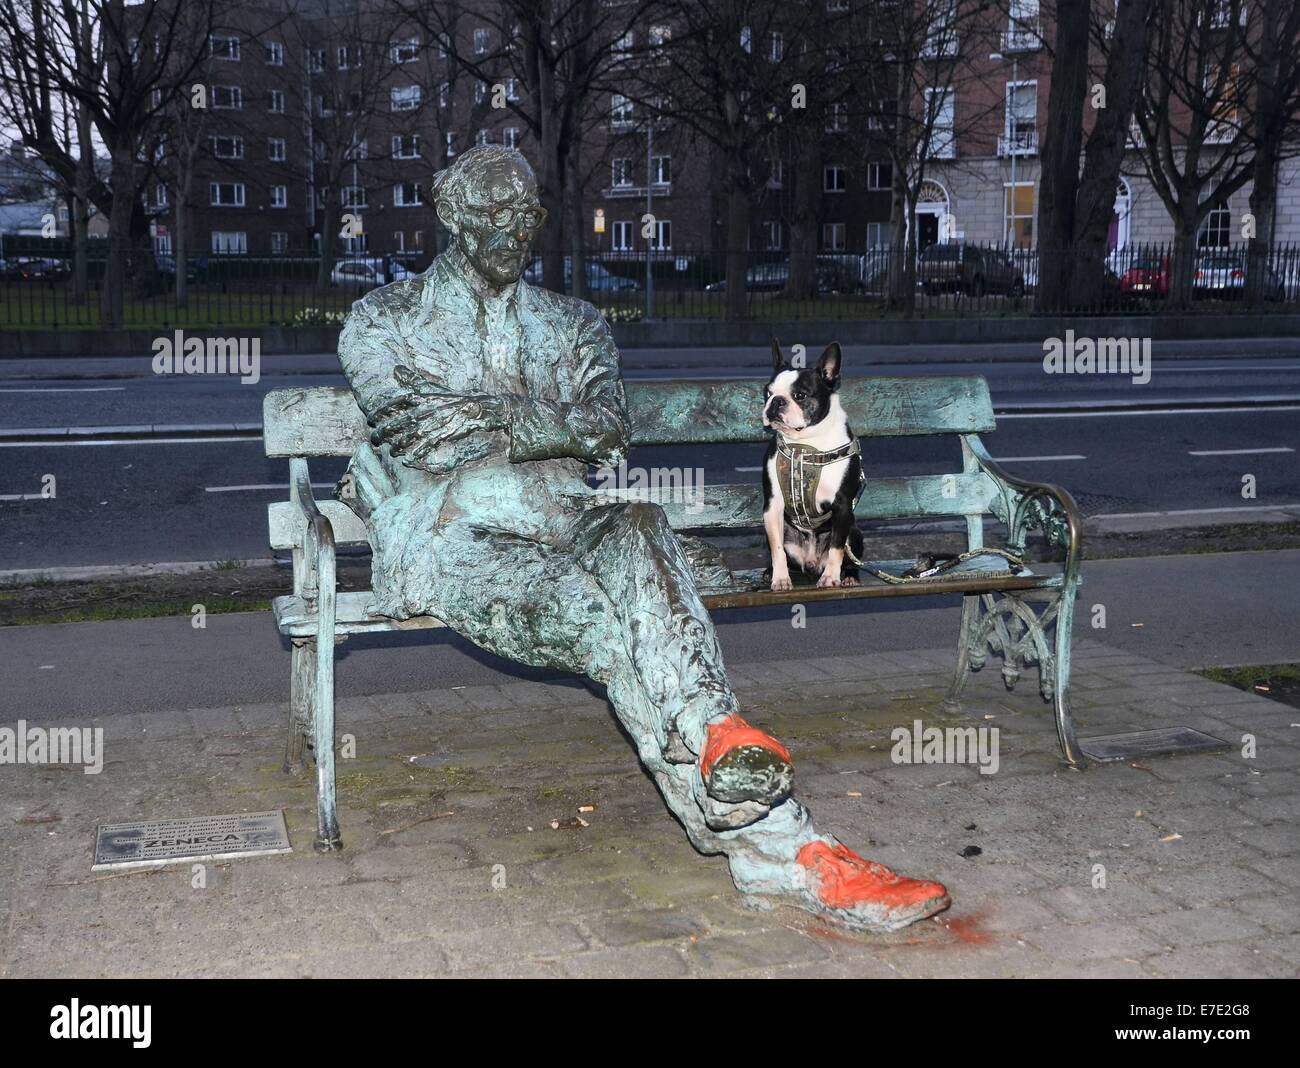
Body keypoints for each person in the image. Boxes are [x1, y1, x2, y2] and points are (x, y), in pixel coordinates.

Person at [336, 144, 949, 933]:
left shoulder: (575, 323)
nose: (514, 230)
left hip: (566, 515)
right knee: (603, 623)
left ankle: (722, 739)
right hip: (453, 531)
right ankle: (784, 849)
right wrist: (546, 427)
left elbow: (608, 432)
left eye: (527, 215)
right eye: (494, 214)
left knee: (640, 523)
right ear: (452, 216)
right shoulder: (382, 319)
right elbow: (415, 431)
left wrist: (496, 424)